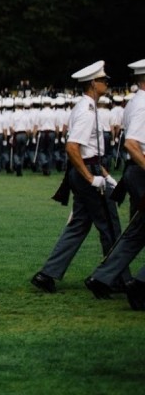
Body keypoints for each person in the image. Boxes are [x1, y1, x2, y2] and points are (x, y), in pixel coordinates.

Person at [31, 61, 123, 294]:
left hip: (90, 170)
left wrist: (106, 176)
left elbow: (89, 152)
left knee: (79, 225)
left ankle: (47, 274)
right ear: (93, 83)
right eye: (104, 80)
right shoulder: (86, 111)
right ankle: (113, 278)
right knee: (110, 225)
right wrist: (92, 179)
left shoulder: (86, 107)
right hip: (87, 173)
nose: (107, 84)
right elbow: (73, 148)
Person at [85, 58, 145, 304]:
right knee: (137, 232)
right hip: (142, 171)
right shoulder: (142, 104)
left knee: (137, 233)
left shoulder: (136, 102)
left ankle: (103, 277)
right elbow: (131, 143)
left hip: (135, 172)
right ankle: (140, 287)